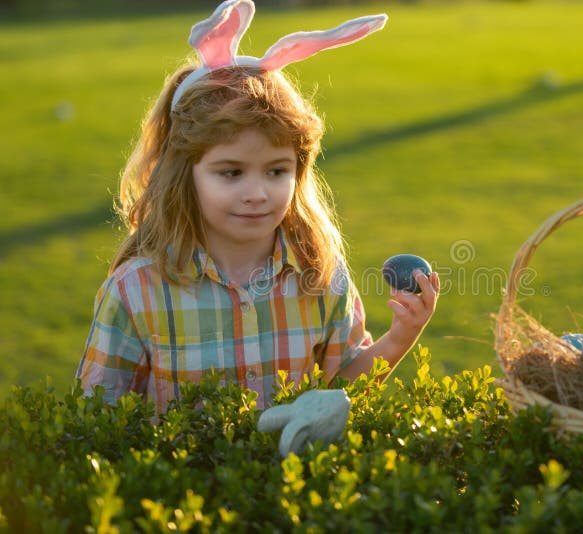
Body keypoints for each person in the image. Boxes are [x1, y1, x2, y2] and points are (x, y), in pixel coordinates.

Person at [76, 0, 439, 414]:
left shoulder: (319, 273)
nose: (257, 193)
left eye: (276, 171)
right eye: (231, 173)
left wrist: (400, 337)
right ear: (185, 173)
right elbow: (95, 418)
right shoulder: (136, 291)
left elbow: (338, 389)